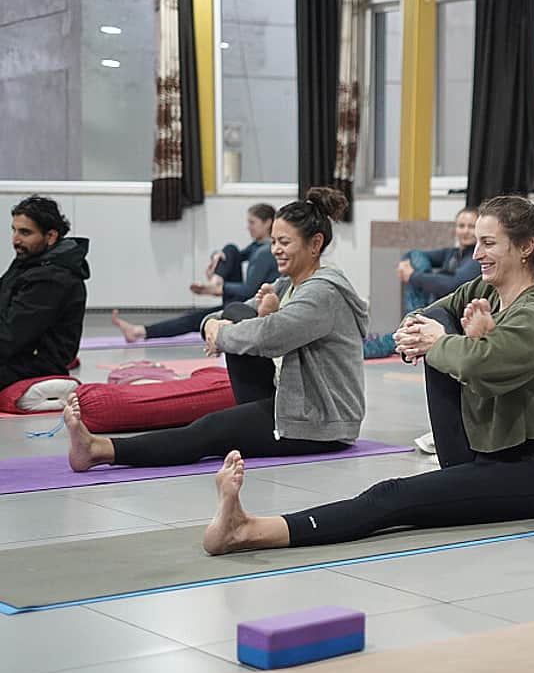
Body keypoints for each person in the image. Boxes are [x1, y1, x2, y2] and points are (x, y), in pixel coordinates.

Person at [198, 195, 534, 556]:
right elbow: (431, 313)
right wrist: (415, 331)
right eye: (476, 242)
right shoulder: (485, 291)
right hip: (485, 451)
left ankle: (248, 530)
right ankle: (240, 524)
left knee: (392, 497)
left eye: (488, 243)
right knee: (439, 323)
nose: (475, 254)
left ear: (525, 247)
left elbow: (483, 365)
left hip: (533, 471)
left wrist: (450, 342)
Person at [64, 188, 367, 471]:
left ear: (315, 244)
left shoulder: (323, 294)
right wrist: (211, 323)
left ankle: (99, 450)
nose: (275, 250)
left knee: (210, 429)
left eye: (284, 242)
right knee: (237, 312)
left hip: (322, 422)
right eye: (273, 241)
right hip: (291, 400)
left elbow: (268, 337)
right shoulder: (287, 283)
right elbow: (231, 311)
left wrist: (221, 336)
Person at [111, 203, 279, 342]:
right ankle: (215, 282)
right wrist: (216, 256)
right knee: (230, 249)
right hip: (238, 298)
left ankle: (139, 332)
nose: (247, 227)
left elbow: (250, 291)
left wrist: (222, 289)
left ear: (267, 223)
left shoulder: (265, 253)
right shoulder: (257, 247)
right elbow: (233, 254)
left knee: (195, 319)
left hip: (248, 306)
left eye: (252, 222)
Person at [1, 196, 89, 389]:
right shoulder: (28, 261)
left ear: (50, 236)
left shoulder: (52, 278)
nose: (16, 239)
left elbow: (11, 337)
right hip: (17, 357)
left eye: (25, 232)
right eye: (14, 230)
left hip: (34, 366)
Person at [396, 206, 480, 314]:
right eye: (461, 226)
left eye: (471, 227)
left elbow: (452, 285)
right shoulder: (452, 253)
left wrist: (412, 276)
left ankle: (414, 316)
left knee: (415, 279)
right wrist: (405, 262)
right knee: (415, 257)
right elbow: (413, 254)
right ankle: (414, 317)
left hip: (452, 313)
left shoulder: (477, 258)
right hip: (435, 305)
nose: (465, 231)